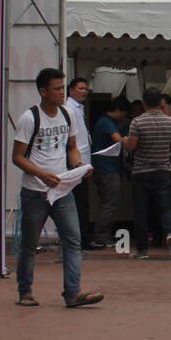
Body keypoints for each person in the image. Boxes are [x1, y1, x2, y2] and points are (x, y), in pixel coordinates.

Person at [12, 68, 102, 308]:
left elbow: (71, 147)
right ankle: (25, 290)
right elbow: (17, 157)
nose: (62, 93)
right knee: (29, 244)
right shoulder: (29, 118)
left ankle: (73, 292)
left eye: (63, 88)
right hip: (35, 191)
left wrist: (79, 165)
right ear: (43, 92)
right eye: (57, 89)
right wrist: (42, 175)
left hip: (62, 190)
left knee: (73, 240)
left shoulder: (67, 114)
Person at [123, 86, 171, 260]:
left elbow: (131, 146)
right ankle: (170, 234)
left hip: (141, 171)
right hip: (162, 170)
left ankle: (142, 250)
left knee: (141, 210)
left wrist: (125, 142)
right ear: (160, 102)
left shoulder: (137, 122)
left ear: (144, 103)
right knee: (165, 208)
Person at [90, 97, 129, 247]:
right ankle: (101, 236)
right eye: (124, 114)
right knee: (109, 204)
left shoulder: (103, 121)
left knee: (106, 203)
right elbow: (118, 140)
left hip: (103, 168)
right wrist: (132, 140)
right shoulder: (106, 122)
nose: (124, 118)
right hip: (107, 169)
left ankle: (103, 234)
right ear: (118, 111)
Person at [66, 78, 98, 250]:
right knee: (79, 203)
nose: (84, 91)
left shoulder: (78, 108)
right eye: (81, 88)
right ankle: (80, 240)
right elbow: (74, 142)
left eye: (86, 88)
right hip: (77, 163)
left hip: (82, 162)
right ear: (71, 90)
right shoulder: (69, 108)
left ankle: (82, 238)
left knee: (83, 203)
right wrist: (80, 164)